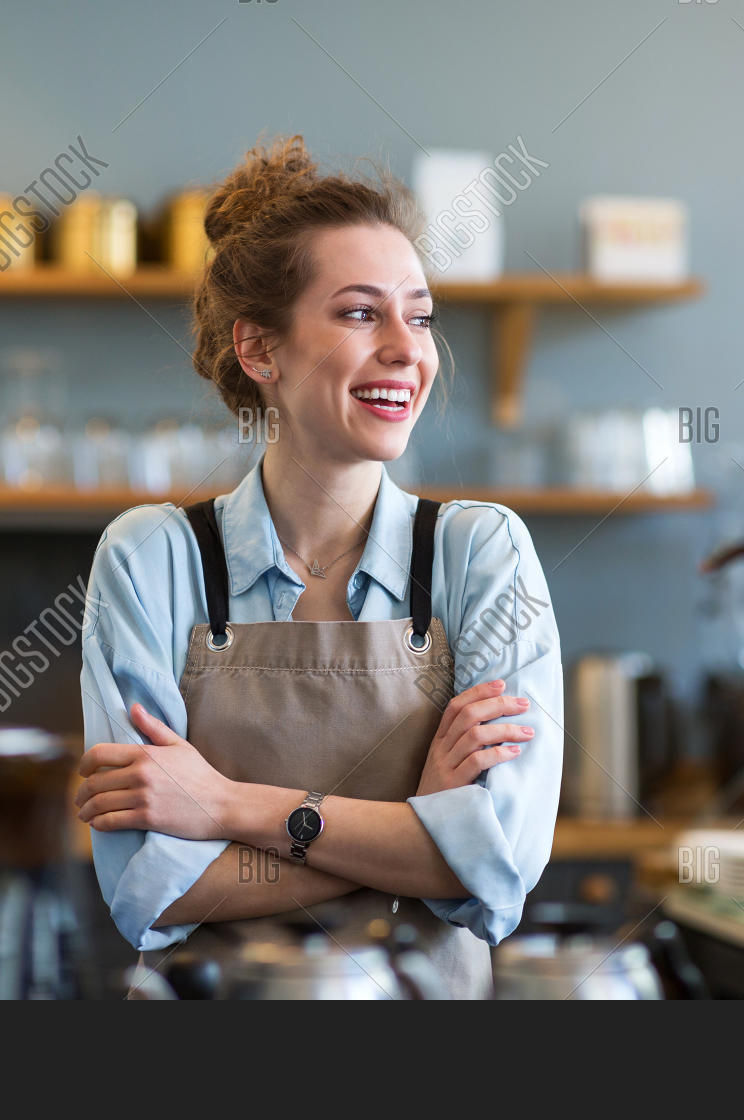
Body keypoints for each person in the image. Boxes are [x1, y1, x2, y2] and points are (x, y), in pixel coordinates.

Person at [75, 135, 563, 999]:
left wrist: (230, 809)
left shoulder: (482, 552)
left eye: (419, 315)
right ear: (261, 351)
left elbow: (500, 868)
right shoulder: (150, 557)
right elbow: (151, 888)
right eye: (359, 313)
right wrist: (417, 833)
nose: (407, 350)